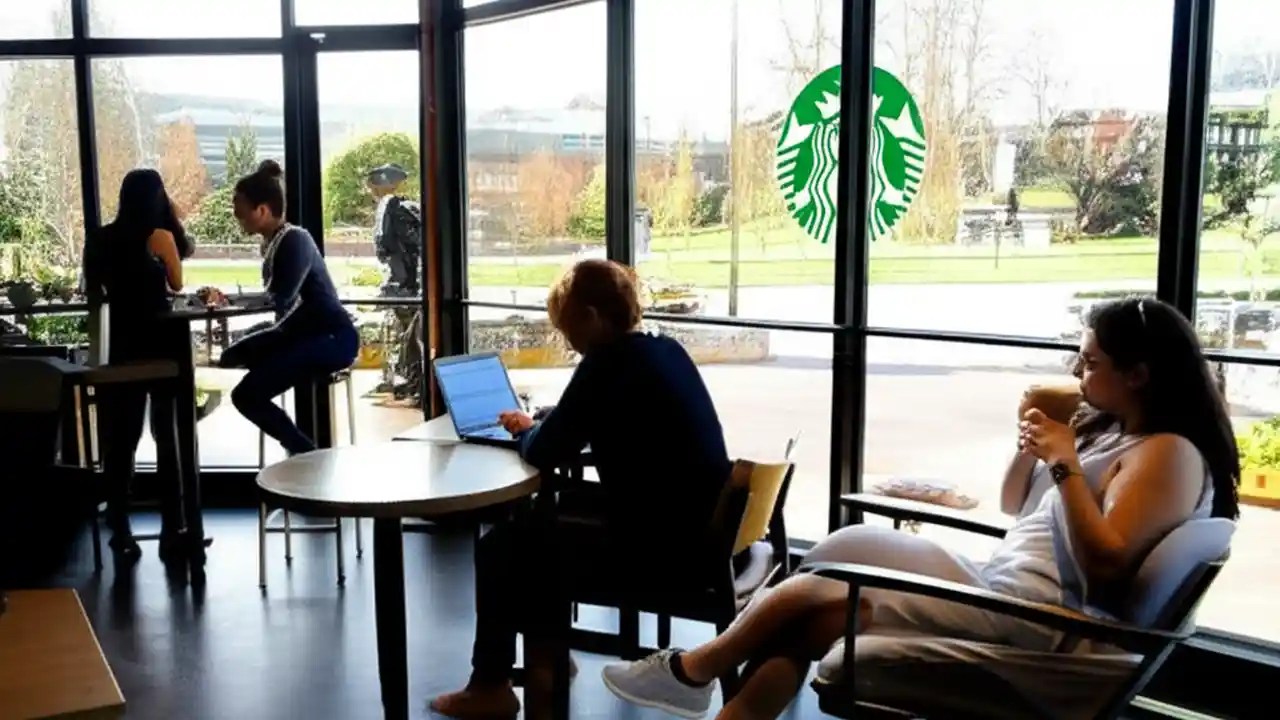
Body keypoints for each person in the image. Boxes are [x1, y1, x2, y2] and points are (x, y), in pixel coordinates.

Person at [601, 296, 1241, 720]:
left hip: (1035, 618)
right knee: (821, 582)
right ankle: (696, 683)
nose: (1078, 368)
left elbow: (1105, 567)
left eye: (1092, 360)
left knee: (823, 596)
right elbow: (1017, 506)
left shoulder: (1169, 454)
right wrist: (1034, 444)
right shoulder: (1115, 431)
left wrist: (1066, 461)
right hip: (1004, 585)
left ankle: (690, 672)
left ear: (1139, 374)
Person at [430, 259, 733, 719]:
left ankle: (491, 684)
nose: (568, 342)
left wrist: (524, 430)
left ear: (591, 317)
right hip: (699, 527)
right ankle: (548, 654)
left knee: (503, 546)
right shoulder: (664, 349)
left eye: (567, 327)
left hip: (663, 550)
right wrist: (548, 422)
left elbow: (544, 451)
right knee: (539, 526)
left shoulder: (606, 363)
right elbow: (588, 419)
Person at [82, 168, 194, 565]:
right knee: (168, 437)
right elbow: (177, 285)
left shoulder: (100, 238)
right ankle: (174, 528)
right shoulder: (160, 237)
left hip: (122, 346)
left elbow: (92, 289)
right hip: (161, 346)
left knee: (121, 441)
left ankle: (121, 529)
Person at [218, 160, 358, 456]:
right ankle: (302, 451)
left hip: (332, 338)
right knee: (231, 357)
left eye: (238, 205)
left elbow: (280, 298)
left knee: (246, 394)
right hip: (300, 334)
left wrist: (230, 301)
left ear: (262, 210)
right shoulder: (275, 242)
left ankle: (305, 455)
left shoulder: (295, 239)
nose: (235, 213)